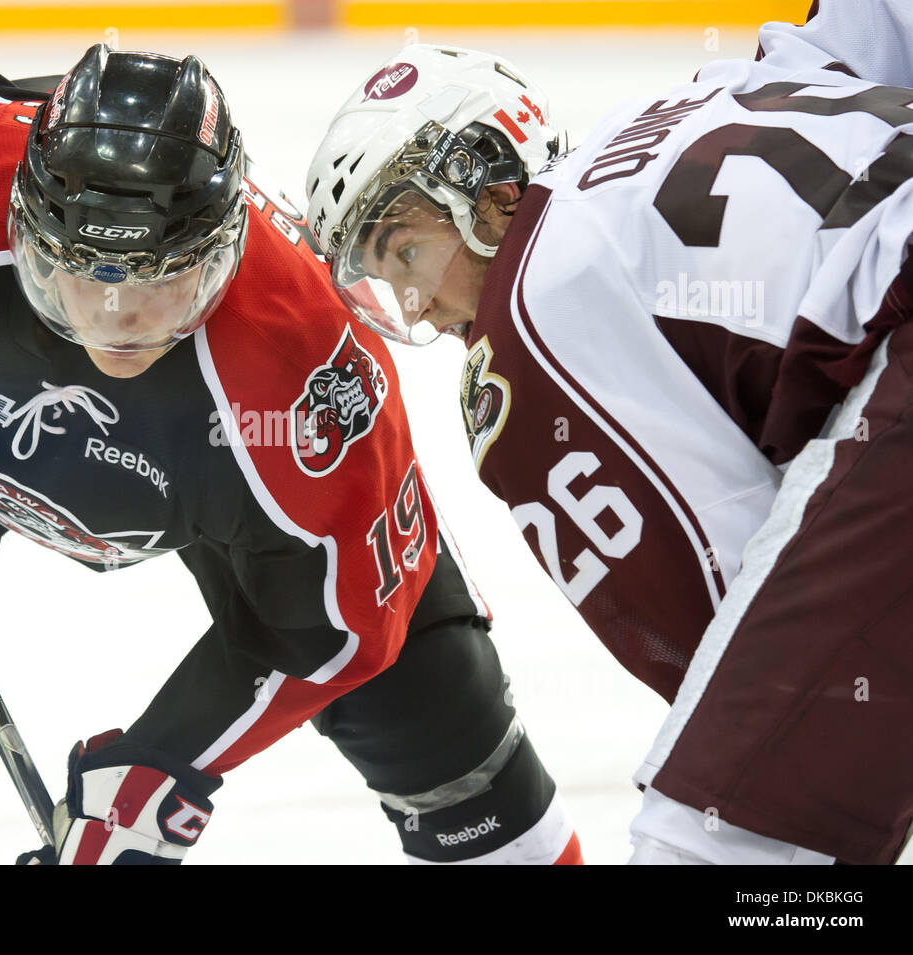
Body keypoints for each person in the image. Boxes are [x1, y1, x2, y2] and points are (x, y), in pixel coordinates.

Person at [0, 0, 581, 865]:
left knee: (444, 730)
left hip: (213, 478)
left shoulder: (300, 369)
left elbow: (346, 614)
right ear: (27, 232)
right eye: (90, 273)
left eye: (166, 280)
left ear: (223, 252)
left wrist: (158, 779)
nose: (122, 318)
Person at [305, 0, 913, 865]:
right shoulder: (711, 95)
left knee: (714, 835)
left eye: (404, 252)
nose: (414, 306)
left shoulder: (529, 317)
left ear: (488, 190)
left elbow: (734, 632)